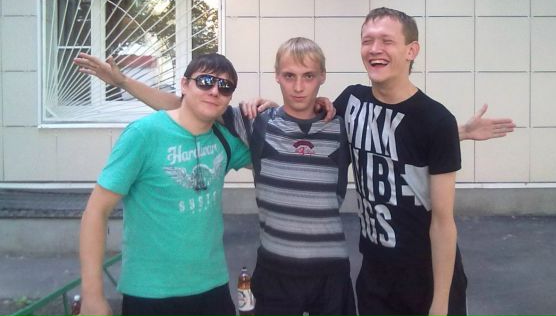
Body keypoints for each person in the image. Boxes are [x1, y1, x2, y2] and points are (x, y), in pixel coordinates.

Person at [77, 39, 356, 316]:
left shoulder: (337, 127)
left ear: (322, 76)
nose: (298, 86)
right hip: (175, 288)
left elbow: (198, 106)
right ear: (277, 76)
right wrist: (123, 82)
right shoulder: (253, 124)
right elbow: (187, 107)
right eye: (290, 76)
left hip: (303, 275)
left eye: (308, 76)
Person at [79, 53, 251, 316]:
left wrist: (274, 112)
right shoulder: (144, 134)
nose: (215, 91)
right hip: (150, 294)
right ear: (184, 84)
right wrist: (92, 295)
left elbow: (278, 152)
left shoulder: (224, 140)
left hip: (213, 288)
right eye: (205, 81)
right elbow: (95, 212)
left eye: (225, 86)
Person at [333, 7, 471, 316]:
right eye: (367, 40)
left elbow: (443, 222)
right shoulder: (351, 101)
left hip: (425, 278)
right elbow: (310, 128)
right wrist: (275, 110)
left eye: (386, 41)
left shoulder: (436, 120)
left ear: (411, 50)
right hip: (374, 275)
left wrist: (440, 303)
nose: (374, 49)